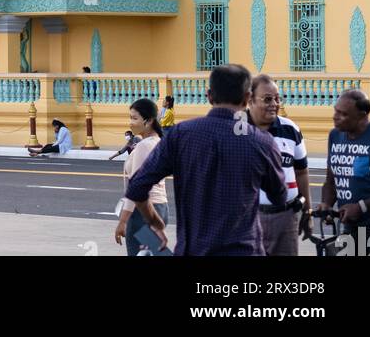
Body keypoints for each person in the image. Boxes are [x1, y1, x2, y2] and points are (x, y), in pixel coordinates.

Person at [126, 64, 286, 256]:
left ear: (209, 96)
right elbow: (279, 196)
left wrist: (155, 221)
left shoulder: (181, 135)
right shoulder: (261, 142)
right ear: (247, 98)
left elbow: (136, 187)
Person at [247, 75, 311, 255]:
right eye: (267, 99)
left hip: (285, 218)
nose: (274, 104)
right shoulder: (235, 130)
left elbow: (302, 172)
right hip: (247, 220)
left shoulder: (291, 129)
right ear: (249, 100)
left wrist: (308, 212)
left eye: (277, 98)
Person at [318, 87, 370, 256]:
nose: (335, 117)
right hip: (349, 228)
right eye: (335, 111)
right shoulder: (335, 135)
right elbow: (331, 181)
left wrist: (361, 207)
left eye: (343, 114)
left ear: (362, 116)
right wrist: (326, 204)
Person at [114, 99, 170, 256]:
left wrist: (123, 221)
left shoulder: (144, 146)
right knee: (154, 253)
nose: (130, 123)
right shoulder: (158, 142)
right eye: (130, 117)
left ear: (149, 121)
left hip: (143, 211)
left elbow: (136, 188)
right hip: (161, 207)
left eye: (134, 118)